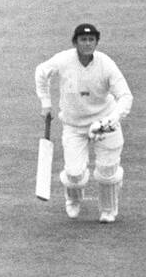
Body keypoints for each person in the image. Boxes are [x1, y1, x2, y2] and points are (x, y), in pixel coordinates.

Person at [35, 23, 132, 223]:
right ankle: (73, 198)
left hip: (105, 123)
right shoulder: (63, 60)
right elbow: (41, 72)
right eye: (83, 40)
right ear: (75, 42)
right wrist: (45, 102)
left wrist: (107, 123)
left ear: (96, 42)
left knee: (107, 172)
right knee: (74, 174)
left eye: (91, 40)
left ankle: (108, 210)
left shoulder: (106, 64)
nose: (87, 44)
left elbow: (126, 97)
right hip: (74, 126)